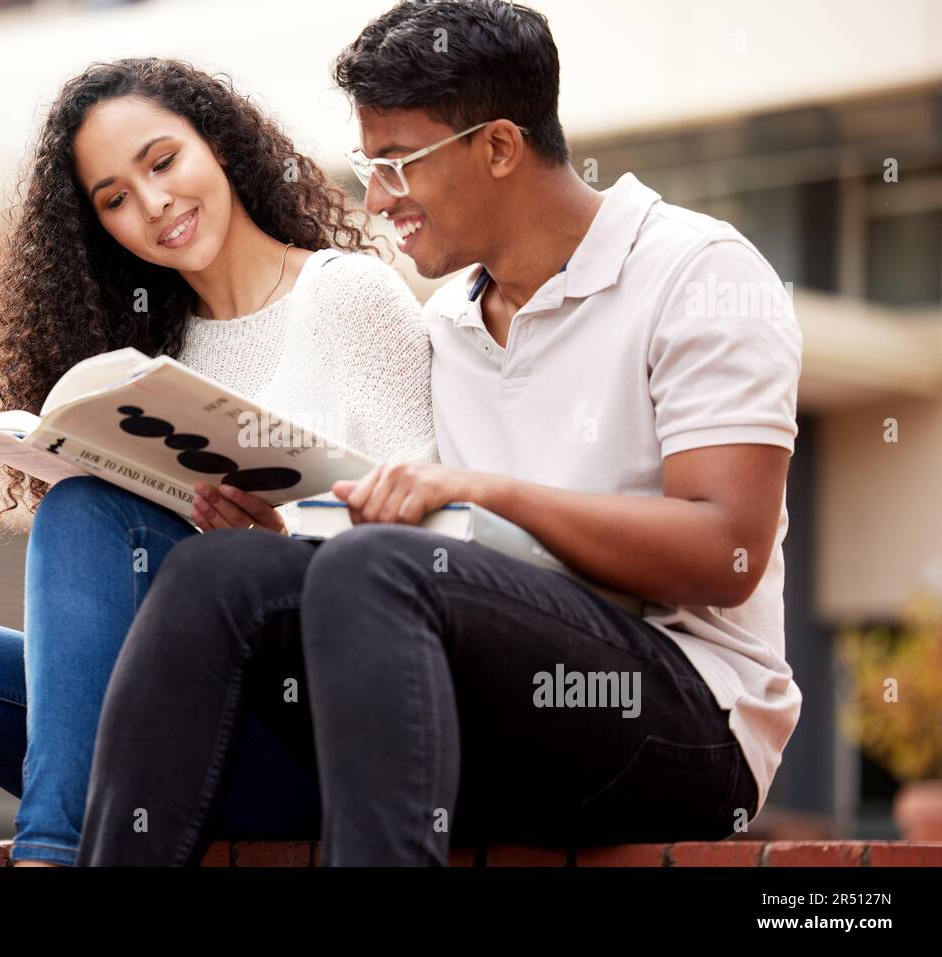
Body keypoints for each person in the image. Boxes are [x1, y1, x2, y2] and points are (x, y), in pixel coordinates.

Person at [76, 0, 803, 866]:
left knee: (371, 567)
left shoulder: (698, 273)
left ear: (498, 147)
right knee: (222, 571)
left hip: (686, 722)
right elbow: (450, 565)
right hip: (484, 708)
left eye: (396, 164)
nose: (377, 199)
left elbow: (726, 552)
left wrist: (483, 489)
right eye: (366, 164)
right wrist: (287, 535)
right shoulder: (450, 324)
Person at [0, 57, 436, 866]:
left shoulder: (350, 296)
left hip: (317, 736)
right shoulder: (150, 356)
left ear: (218, 143)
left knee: (88, 508)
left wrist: (281, 542)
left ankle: (51, 856)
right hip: (166, 740)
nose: (154, 206)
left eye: (162, 162)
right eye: (114, 198)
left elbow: (436, 551)